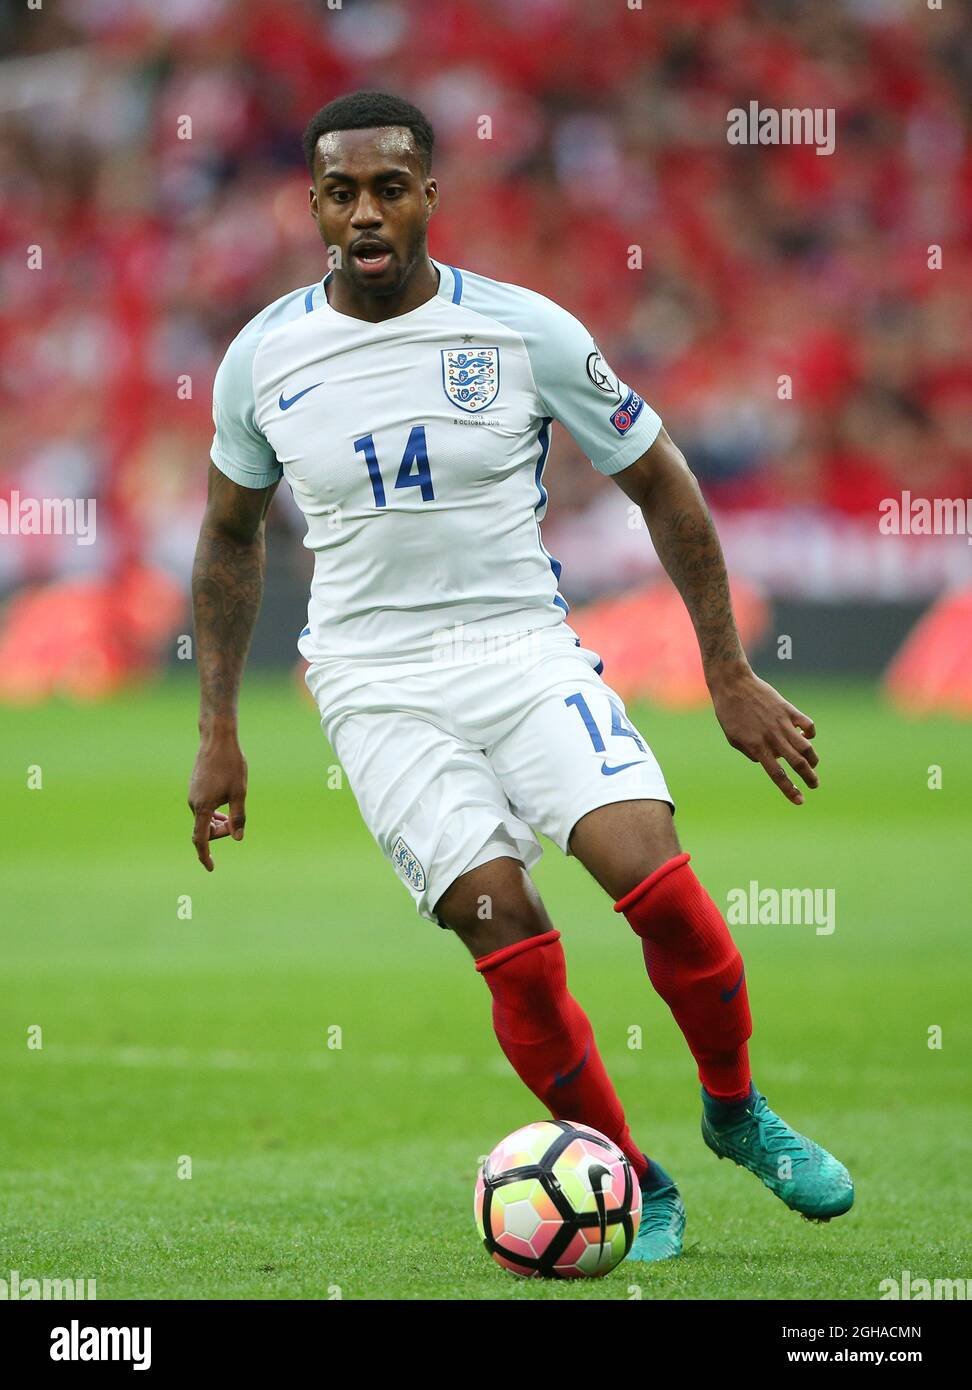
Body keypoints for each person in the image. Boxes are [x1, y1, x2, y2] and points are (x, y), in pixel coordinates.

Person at [188, 90, 853, 1264]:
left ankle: (738, 1110)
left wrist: (729, 670)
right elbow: (230, 540)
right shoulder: (262, 358)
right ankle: (627, 1175)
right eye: (341, 191)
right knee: (505, 923)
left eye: (390, 185)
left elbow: (663, 482)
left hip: (522, 649)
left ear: (430, 194)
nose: (367, 211)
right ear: (313, 205)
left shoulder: (525, 329)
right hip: (375, 682)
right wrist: (217, 732)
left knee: (650, 872)